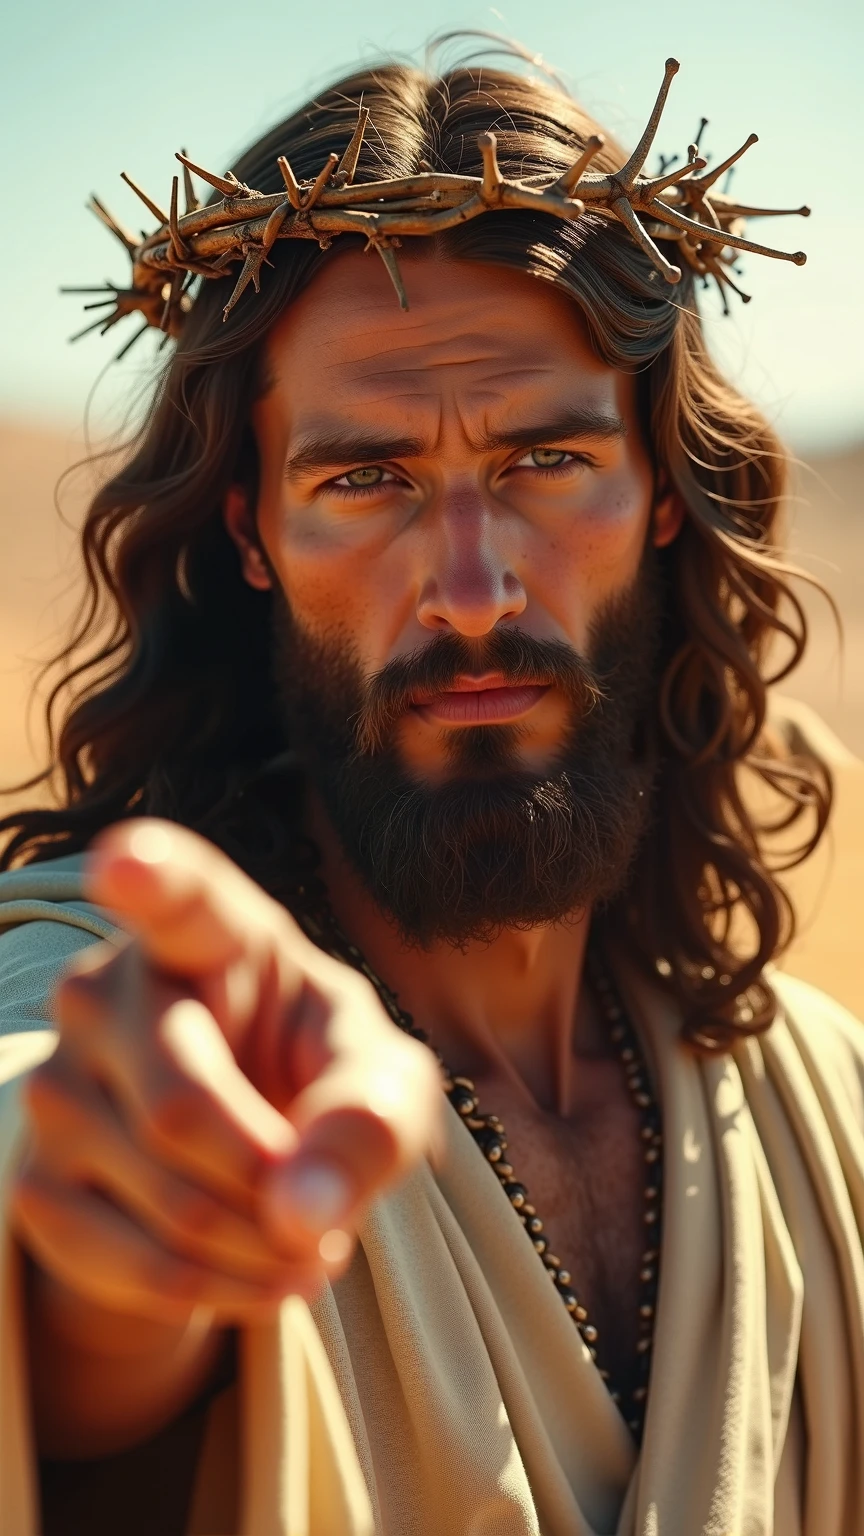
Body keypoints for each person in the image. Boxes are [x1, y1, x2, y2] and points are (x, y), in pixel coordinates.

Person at [0, 46, 862, 1536]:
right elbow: (43, 1122)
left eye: (544, 460)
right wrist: (113, 1253)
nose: (470, 592)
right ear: (251, 531)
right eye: (366, 479)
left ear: (661, 491)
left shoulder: (820, 1100)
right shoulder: (122, 997)